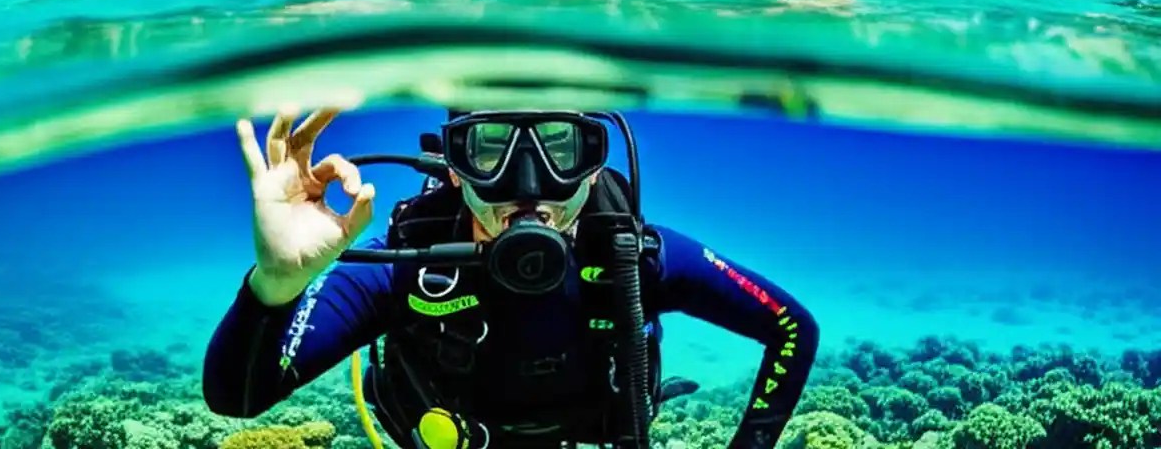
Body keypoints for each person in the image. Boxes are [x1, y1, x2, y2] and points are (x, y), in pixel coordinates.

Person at [203, 107, 820, 449]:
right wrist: (275, 285)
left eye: (561, 146)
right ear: (452, 167)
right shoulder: (408, 264)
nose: (531, 184)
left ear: (592, 160)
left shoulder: (634, 255)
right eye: (489, 149)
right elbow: (238, 397)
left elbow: (792, 327)